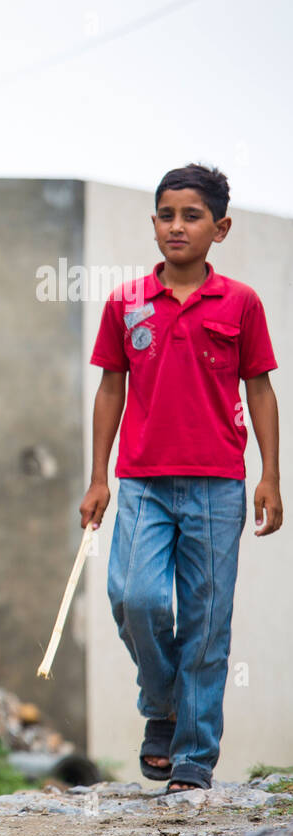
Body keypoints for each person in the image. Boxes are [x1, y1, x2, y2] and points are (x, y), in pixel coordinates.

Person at [80, 163, 281, 792]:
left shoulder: (242, 303)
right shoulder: (126, 301)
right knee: (132, 598)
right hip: (141, 481)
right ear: (154, 223)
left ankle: (193, 761)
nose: (177, 226)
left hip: (220, 485)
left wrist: (270, 475)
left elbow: (262, 389)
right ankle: (161, 704)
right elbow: (111, 387)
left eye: (192, 216)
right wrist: (97, 477)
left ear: (219, 229)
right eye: (166, 214)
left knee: (205, 623)